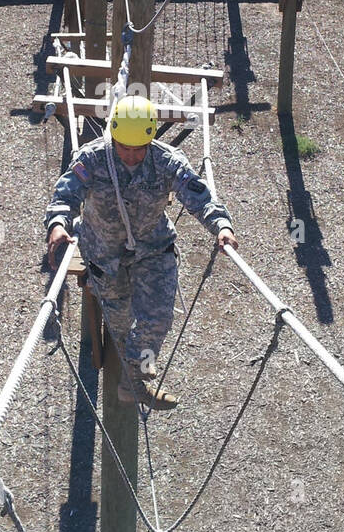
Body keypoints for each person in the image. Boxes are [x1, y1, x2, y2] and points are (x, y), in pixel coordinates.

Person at [45, 94, 238, 410]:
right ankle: (129, 365)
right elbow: (64, 196)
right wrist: (57, 225)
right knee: (120, 327)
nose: (132, 156)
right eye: (125, 147)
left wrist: (222, 227)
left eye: (139, 149)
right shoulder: (91, 160)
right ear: (114, 136)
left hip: (152, 250)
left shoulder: (166, 161)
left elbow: (199, 197)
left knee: (156, 317)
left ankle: (133, 382)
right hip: (105, 258)